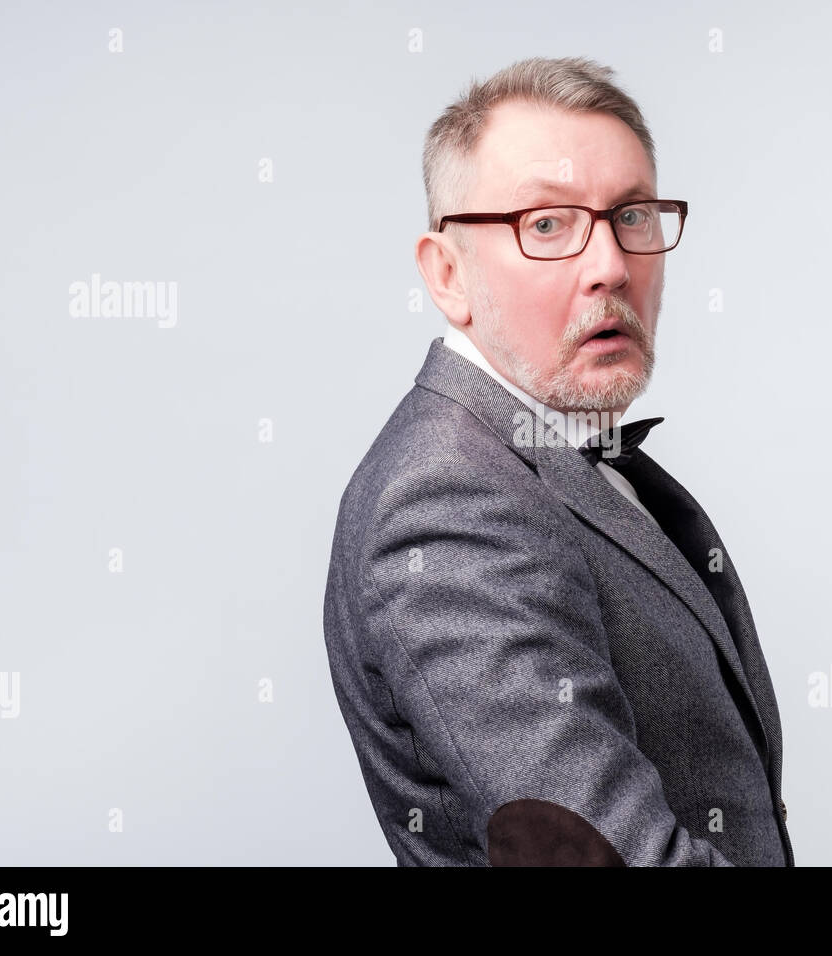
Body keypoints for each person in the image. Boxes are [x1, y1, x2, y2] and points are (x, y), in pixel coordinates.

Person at [323, 55, 794, 866]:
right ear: (447, 274)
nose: (611, 266)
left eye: (632, 216)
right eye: (547, 225)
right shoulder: (446, 503)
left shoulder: (549, 455)